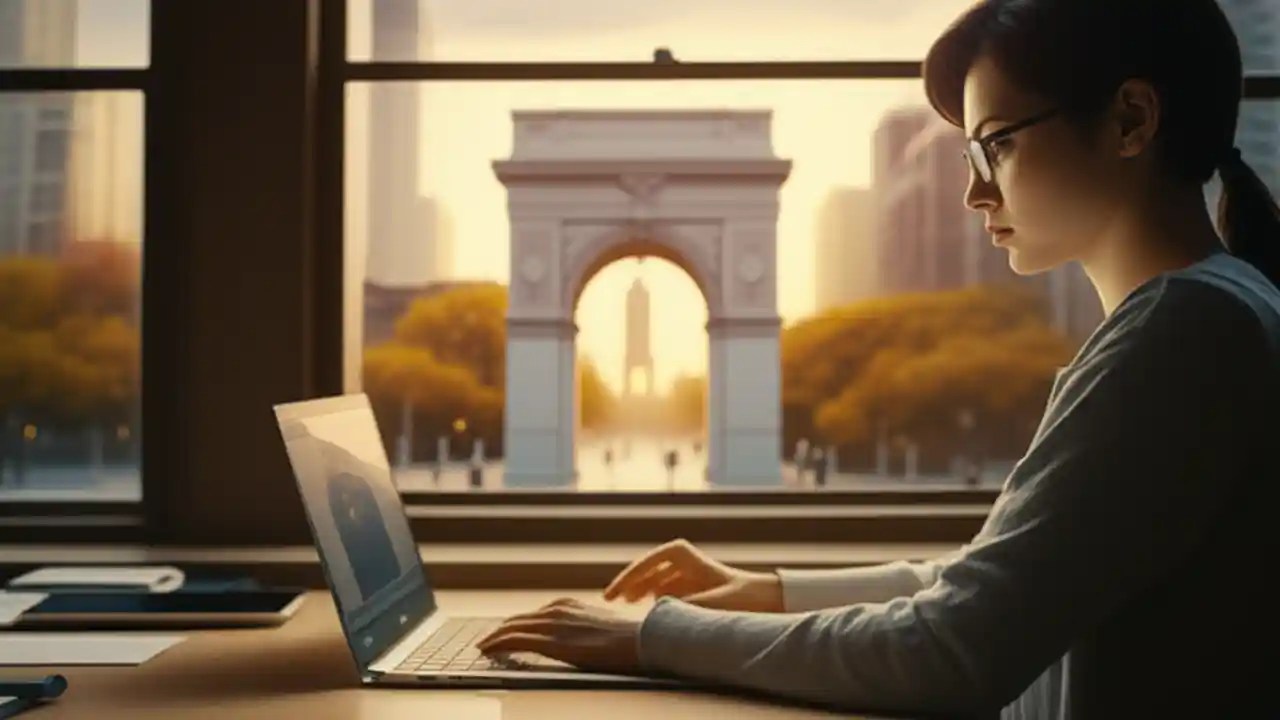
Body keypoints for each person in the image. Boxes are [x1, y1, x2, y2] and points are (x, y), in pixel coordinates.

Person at [477, 1, 1280, 716]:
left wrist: (655, 636)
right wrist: (764, 592)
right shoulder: (1208, 312)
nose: (974, 192)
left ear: (1131, 120)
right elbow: (993, 578)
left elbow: (952, 646)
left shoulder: (1182, 333)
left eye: (995, 146)